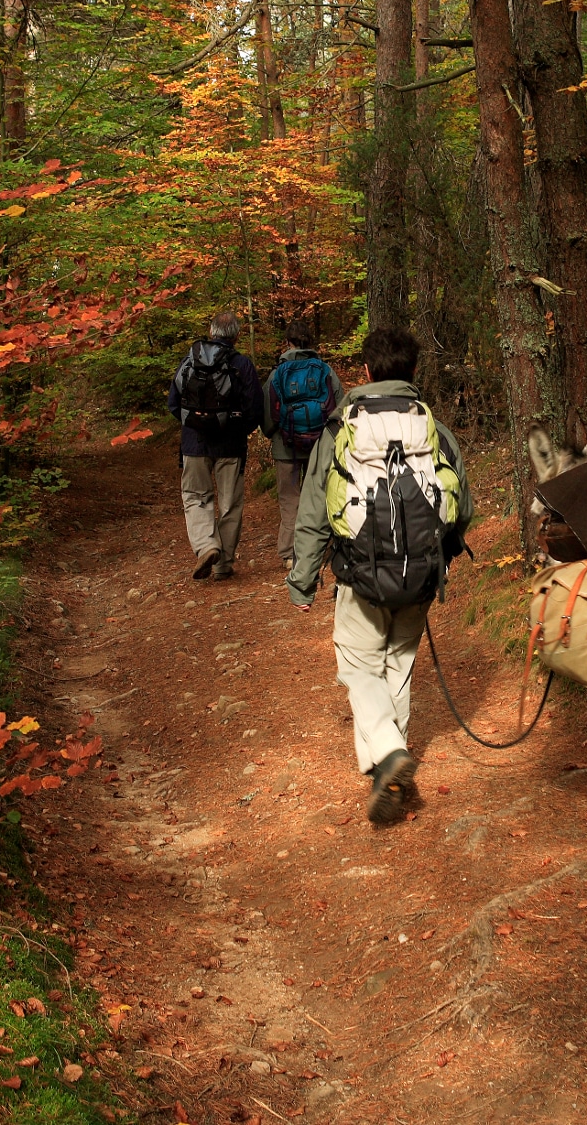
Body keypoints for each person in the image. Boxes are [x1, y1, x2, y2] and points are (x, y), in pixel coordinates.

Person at [288, 327, 472, 825]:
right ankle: (388, 768)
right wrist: (441, 559)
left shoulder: (338, 427)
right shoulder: (433, 427)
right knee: (399, 664)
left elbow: (313, 512)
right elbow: (461, 506)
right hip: (418, 575)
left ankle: (388, 753)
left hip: (360, 574)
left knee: (357, 667)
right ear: (413, 372)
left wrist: (302, 581)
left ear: (365, 372)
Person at [167, 311, 261, 581]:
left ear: (211, 333)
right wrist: (237, 429)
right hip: (231, 445)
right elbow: (254, 408)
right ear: (237, 335)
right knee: (230, 504)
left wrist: (193, 425)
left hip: (194, 444)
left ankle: (207, 546)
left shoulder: (190, 360)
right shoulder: (241, 364)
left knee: (196, 497)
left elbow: (174, 403)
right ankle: (223, 564)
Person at [262, 320, 343, 571]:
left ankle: (289, 552)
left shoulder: (278, 373)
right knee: (318, 494)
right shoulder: (325, 371)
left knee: (289, 498)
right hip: (319, 443)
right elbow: (340, 407)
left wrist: (272, 434)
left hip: (285, 445)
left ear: (288, 343)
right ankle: (317, 549)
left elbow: (268, 412)